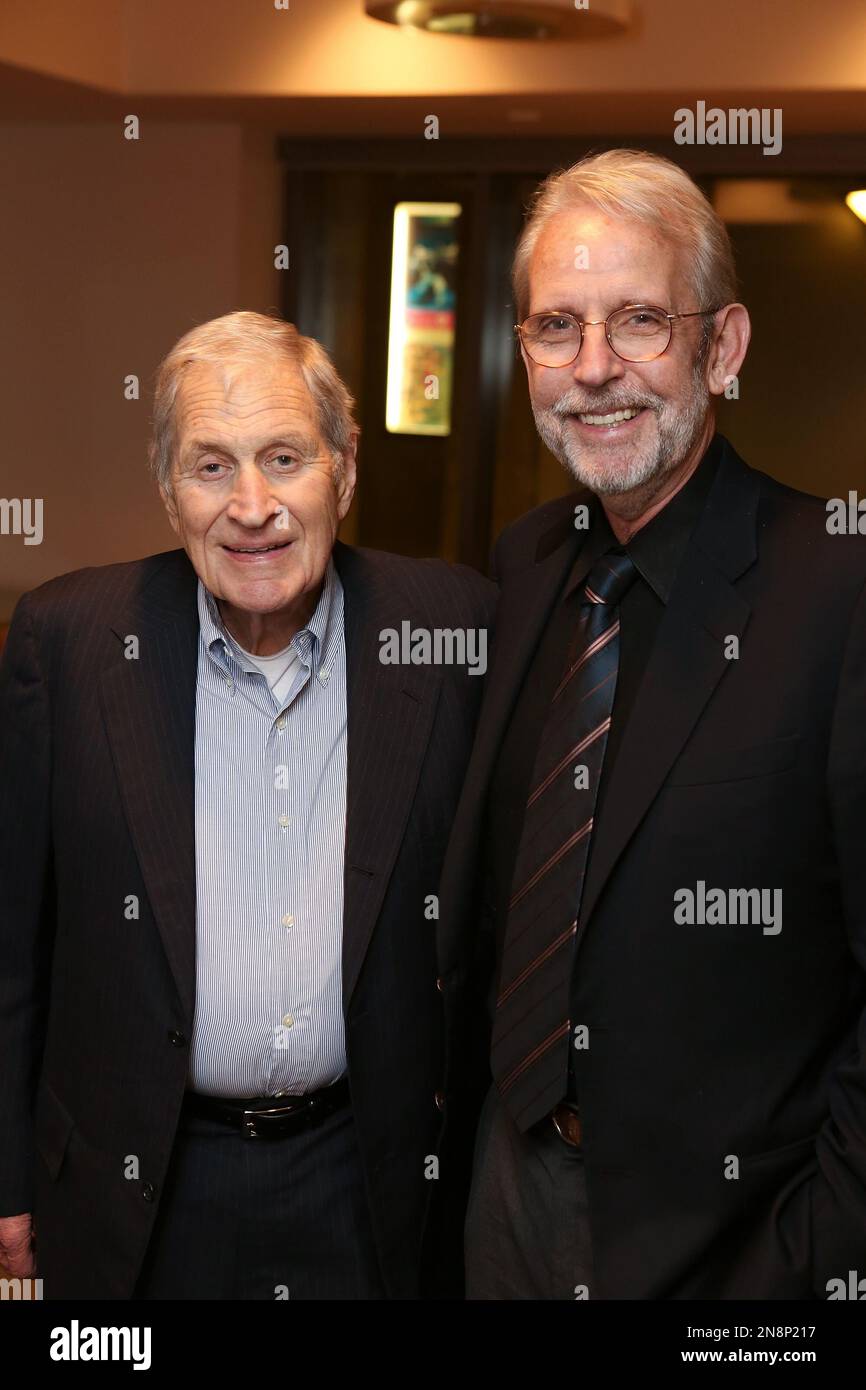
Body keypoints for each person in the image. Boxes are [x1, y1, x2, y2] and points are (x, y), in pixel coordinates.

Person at [438, 149, 866, 1299]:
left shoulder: (837, 587)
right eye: (553, 328)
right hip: (504, 1197)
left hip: (734, 1240)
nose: (591, 370)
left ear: (719, 349)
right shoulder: (524, 568)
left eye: (636, 322)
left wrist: (808, 1254)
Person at [0, 311, 495, 1299]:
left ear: (344, 472)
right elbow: (14, 940)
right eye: (211, 466)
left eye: (283, 457)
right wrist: (8, 1179)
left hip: (369, 1180)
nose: (253, 505)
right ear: (167, 491)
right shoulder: (67, 641)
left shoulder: (455, 631)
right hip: (138, 1181)